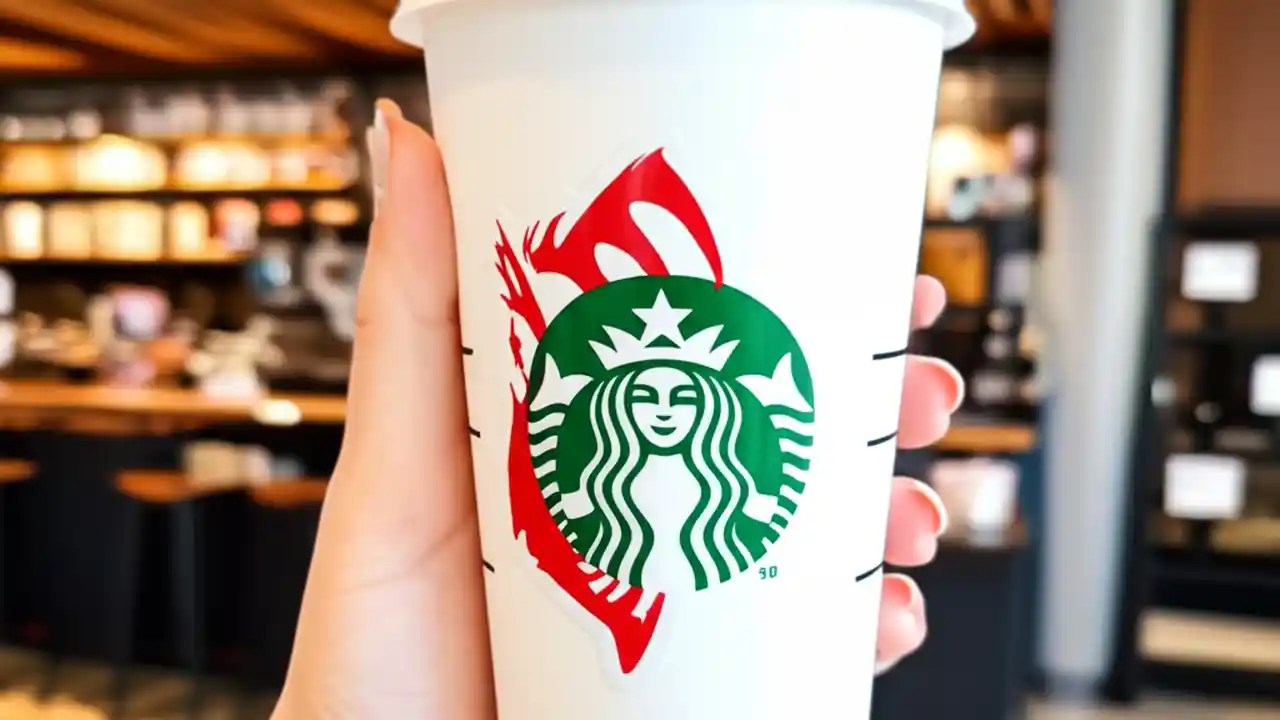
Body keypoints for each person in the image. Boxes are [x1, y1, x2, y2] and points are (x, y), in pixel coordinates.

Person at [270, 101, 965, 720]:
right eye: (644, 394)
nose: (663, 410)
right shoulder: (589, 499)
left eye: (682, 395)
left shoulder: (731, 505)